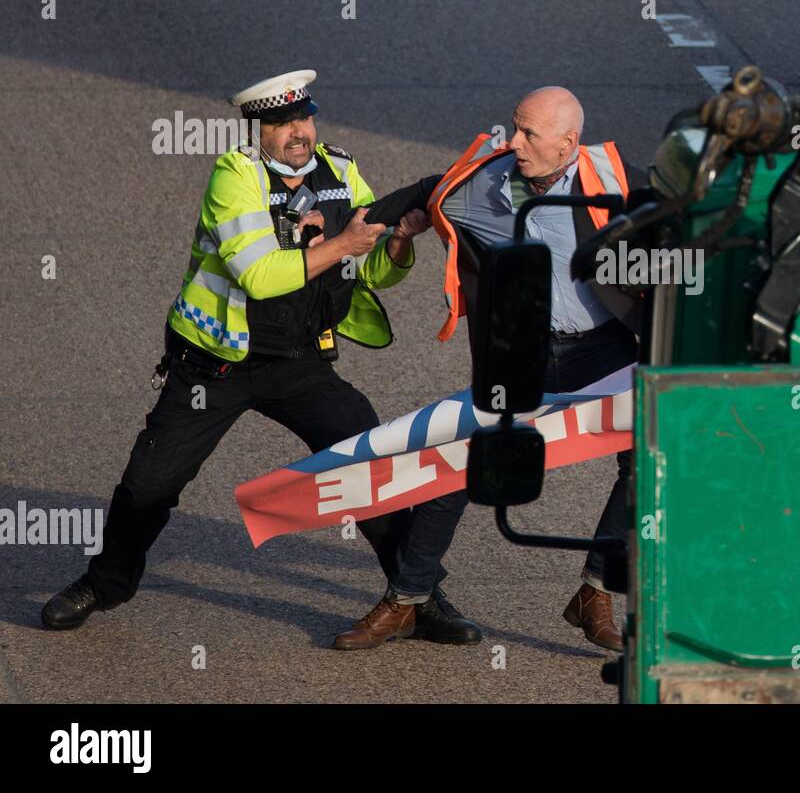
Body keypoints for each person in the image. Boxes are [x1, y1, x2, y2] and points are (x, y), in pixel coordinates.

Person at [41, 70, 481, 648]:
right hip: (214, 364)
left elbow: (369, 272)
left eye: (303, 119)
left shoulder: (341, 171)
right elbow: (259, 275)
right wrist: (342, 244)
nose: (297, 132)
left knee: (369, 465)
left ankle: (417, 596)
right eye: (281, 123)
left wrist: (397, 241)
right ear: (257, 131)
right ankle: (103, 585)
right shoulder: (236, 175)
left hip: (299, 362)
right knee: (149, 484)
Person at [331, 86, 643, 652]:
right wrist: (338, 240)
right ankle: (406, 600)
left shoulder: (618, 183)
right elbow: (423, 193)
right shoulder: (483, 183)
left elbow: (691, 228)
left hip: (603, 348)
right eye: (515, 127)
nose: (514, 142)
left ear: (568, 143)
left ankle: (595, 591)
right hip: (524, 353)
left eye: (529, 134)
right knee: (458, 459)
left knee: (648, 454)